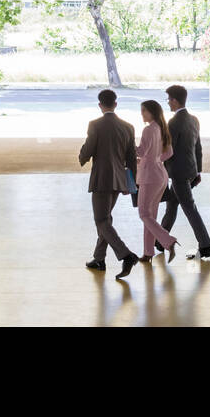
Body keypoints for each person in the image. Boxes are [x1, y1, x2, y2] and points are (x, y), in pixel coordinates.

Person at [78, 88, 140, 279]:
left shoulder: (95, 125)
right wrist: (132, 183)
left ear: (100, 105)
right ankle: (99, 258)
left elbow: (89, 148)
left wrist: (82, 157)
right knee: (106, 218)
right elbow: (131, 158)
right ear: (115, 104)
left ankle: (126, 255)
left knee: (101, 220)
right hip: (119, 179)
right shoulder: (128, 127)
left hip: (101, 178)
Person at [158, 84, 210, 259]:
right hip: (189, 170)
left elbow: (168, 150)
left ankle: (205, 245)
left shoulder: (173, 123)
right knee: (172, 206)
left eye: (169, 99)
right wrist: (197, 171)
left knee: (189, 208)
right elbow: (198, 147)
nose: (168, 103)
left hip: (178, 173)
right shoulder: (193, 119)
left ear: (174, 100)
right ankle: (161, 240)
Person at [135, 100, 179, 262]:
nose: (142, 114)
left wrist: (127, 147)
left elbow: (140, 151)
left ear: (152, 112)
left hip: (149, 177)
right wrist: (153, 159)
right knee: (150, 215)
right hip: (161, 175)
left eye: (144, 111)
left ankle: (168, 241)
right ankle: (148, 252)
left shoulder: (148, 130)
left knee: (144, 214)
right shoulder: (161, 128)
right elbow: (169, 153)